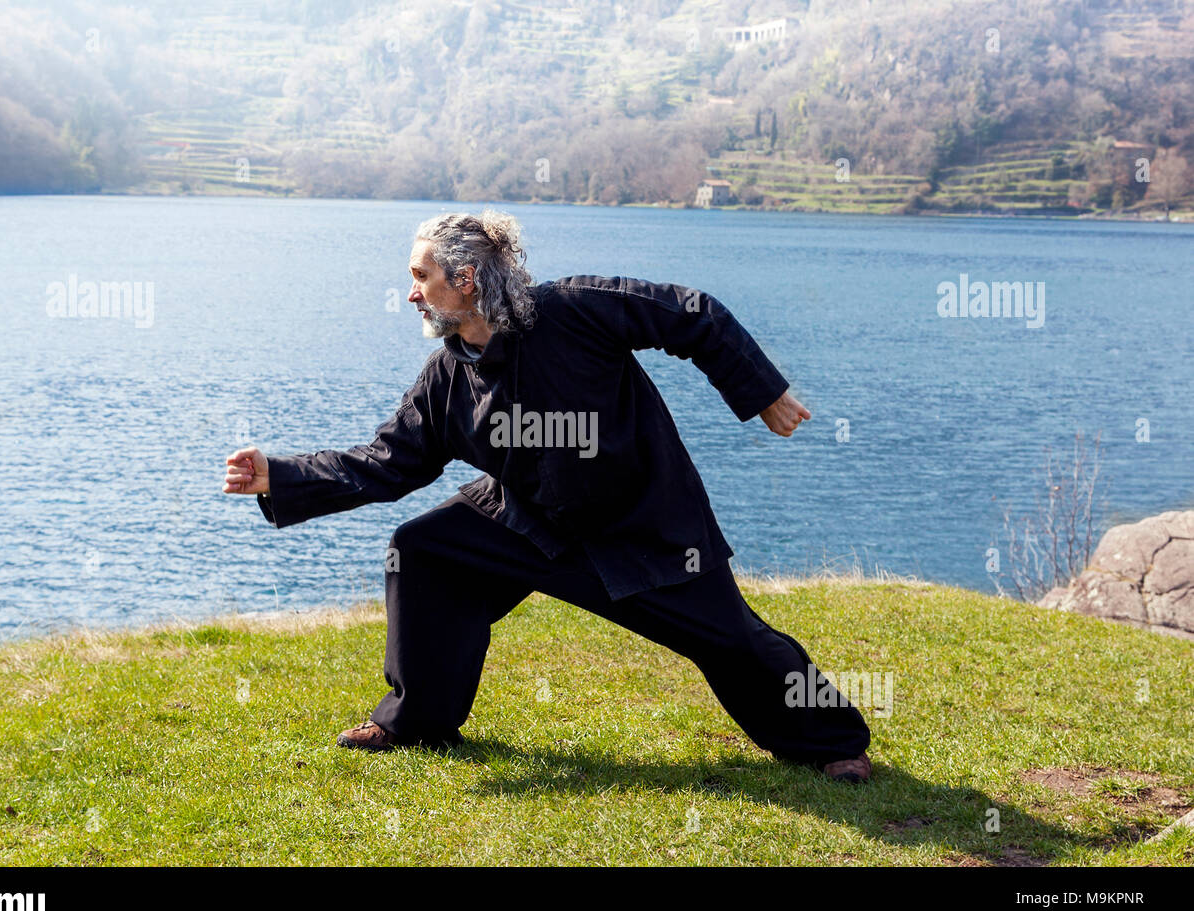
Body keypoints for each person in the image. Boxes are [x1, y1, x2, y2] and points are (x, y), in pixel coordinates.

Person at [223, 209, 872, 784]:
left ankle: (833, 741)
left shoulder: (574, 308)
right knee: (423, 552)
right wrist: (279, 474)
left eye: (422, 277)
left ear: (467, 279)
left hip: (643, 528)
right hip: (527, 520)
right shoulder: (447, 375)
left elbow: (691, 312)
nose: (412, 293)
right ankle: (416, 719)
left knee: (733, 641)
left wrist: (759, 392)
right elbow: (390, 463)